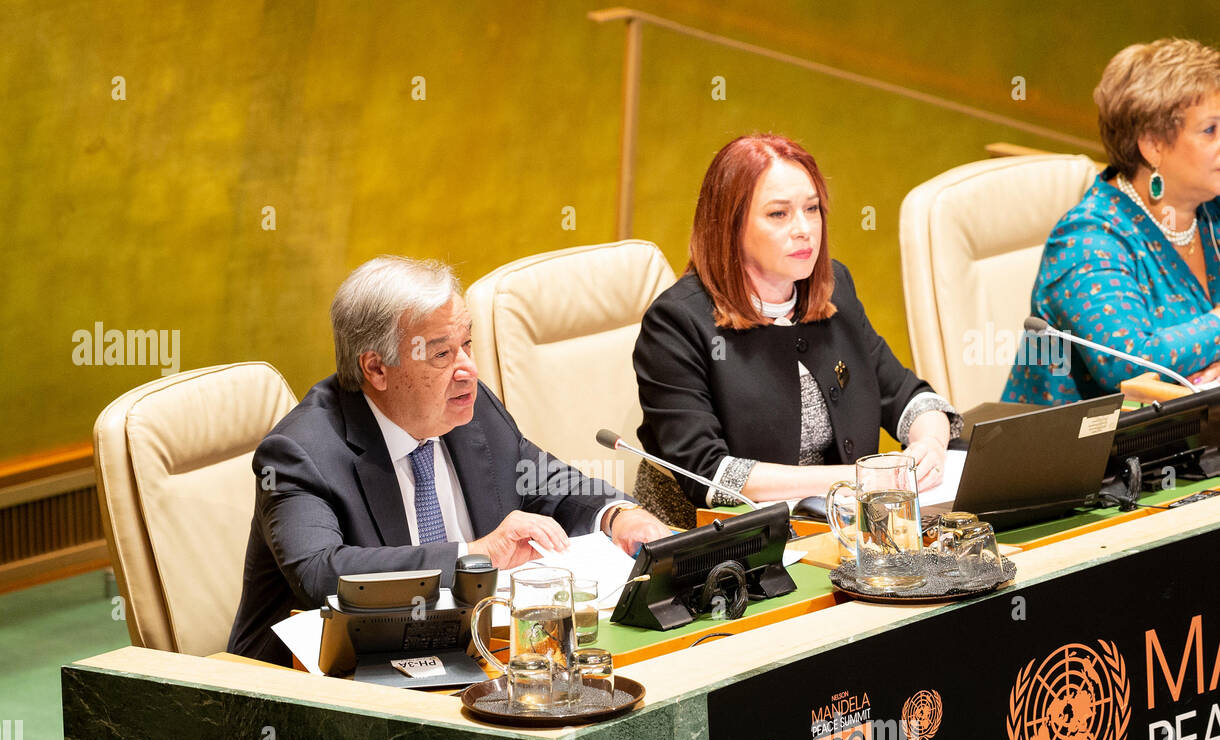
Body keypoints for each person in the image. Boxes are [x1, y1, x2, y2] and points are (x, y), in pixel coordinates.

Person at [229, 255, 669, 665]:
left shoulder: (468, 412)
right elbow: (321, 573)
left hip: (469, 657)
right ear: (377, 369)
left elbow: (547, 481)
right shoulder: (300, 452)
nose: (468, 369)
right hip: (323, 688)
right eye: (442, 353)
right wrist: (471, 556)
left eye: (468, 344)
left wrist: (619, 516)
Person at [631, 134, 959, 526]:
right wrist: (862, 479)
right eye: (778, 214)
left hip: (829, 527)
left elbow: (909, 397)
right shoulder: (676, 323)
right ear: (730, 225)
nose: (804, 229)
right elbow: (712, 476)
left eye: (812, 209)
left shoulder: (835, 289)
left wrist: (931, 446)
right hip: (716, 543)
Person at [1003, 38, 1220, 405]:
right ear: (1152, 145)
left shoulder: (1210, 213)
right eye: (1210, 130)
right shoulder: (1087, 240)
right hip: (1075, 453)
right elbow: (1128, 363)